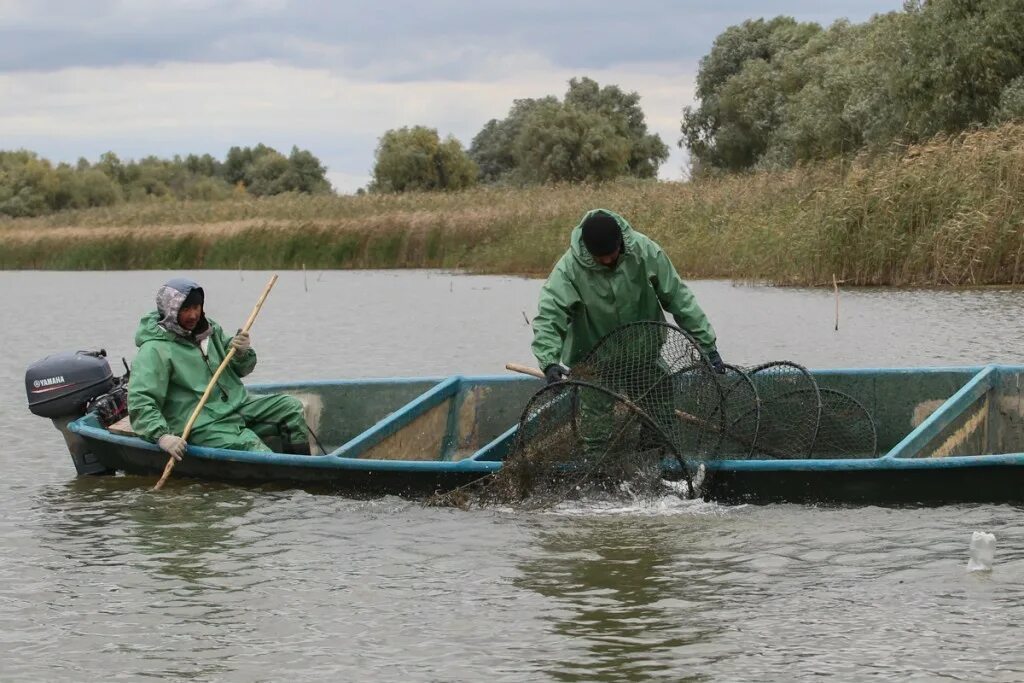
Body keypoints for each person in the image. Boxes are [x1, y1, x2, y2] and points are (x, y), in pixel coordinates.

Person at [128, 277, 311, 461]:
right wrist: (162, 437)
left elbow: (242, 370)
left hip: (236, 405)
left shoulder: (210, 330)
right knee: (249, 444)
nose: (193, 315)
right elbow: (140, 400)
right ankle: (288, 478)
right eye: (185, 309)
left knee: (290, 408)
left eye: (196, 307)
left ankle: (304, 472)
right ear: (170, 310)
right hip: (200, 424)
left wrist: (242, 353)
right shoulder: (154, 350)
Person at [532, 208, 725, 381]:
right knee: (597, 420)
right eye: (600, 257)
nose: (607, 260)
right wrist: (549, 362)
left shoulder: (645, 251)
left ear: (620, 243)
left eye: (611, 254)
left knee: (661, 410)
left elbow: (679, 299)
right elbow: (549, 316)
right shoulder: (567, 270)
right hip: (592, 367)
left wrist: (708, 347)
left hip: (644, 358)